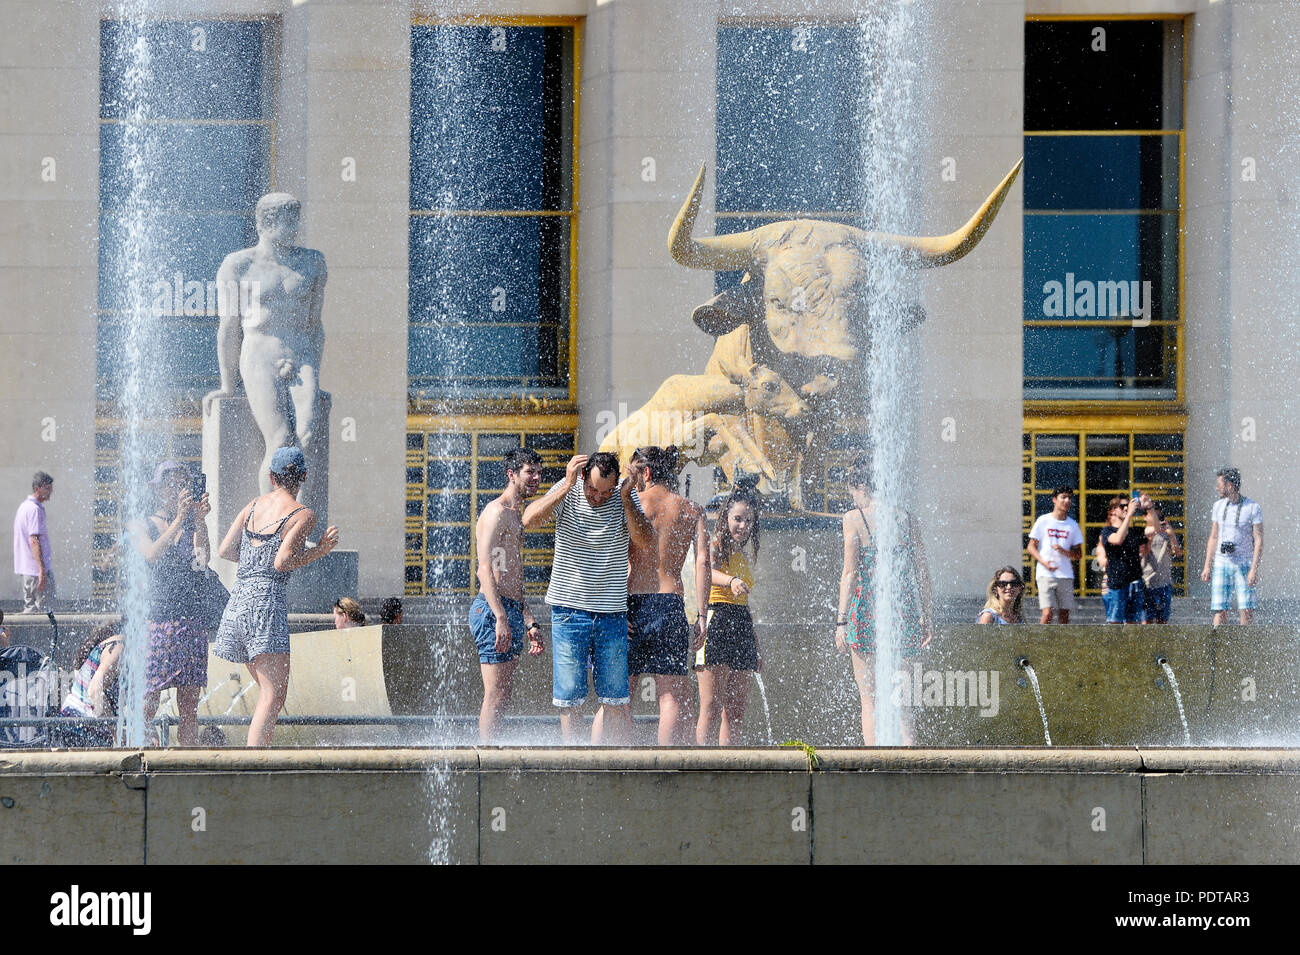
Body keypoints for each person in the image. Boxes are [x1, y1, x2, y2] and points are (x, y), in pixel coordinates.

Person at [203, 193, 330, 528]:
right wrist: (227, 383)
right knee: (279, 439)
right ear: (264, 223)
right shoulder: (239, 264)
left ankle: (299, 525)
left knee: (308, 435)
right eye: (285, 220)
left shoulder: (313, 262)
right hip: (259, 353)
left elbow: (315, 325)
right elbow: (229, 326)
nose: (293, 228)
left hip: (300, 354)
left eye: (295, 220)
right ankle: (269, 524)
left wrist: (313, 366)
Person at [523, 451, 653, 744]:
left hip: (611, 615)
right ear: (583, 476)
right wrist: (567, 485)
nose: (598, 497)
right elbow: (529, 520)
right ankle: (575, 767)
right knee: (569, 699)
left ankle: (617, 769)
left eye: (605, 492)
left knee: (617, 698)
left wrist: (624, 498)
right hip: (569, 611)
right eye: (593, 490)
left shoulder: (622, 497)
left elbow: (646, 542)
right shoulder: (568, 488)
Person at [213, 446, 339, 746]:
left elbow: (226, 550)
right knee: (273, 696)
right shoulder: (302, 514)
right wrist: (319, 551)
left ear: (271, 477)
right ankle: (253, 771)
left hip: (238, 604)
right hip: (266, 605)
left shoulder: (253, 505)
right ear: (304, 477)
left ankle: (260, 759)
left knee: (268, 695)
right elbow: (281, 562)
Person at [832, 458, 933, 745]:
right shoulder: (907, 518)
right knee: (901, 699)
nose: (853, 498)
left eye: (852, 491)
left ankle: (874, 767)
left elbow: (850, 574)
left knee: (870, 699)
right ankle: (910, 765)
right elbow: (923, 573)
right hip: (903, 610)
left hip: (865, 611)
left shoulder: (854, 519)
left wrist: (841, 621)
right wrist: (926, 616)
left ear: (862, 486)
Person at [623, 446, 709, 745]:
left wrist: (612, 610)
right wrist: (701, 615)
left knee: (617, 699)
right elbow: (702, 563)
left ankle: (602, 769)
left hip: (629, 604)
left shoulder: (629, 505)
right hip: (670, 602)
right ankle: (666, 774)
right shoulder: (690, 509)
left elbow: (611, 558)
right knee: (671, 698)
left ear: (645, 473)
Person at [126, 461, 212, 747]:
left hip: (191, 620)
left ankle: (189, 763)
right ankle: (136, 751)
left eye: (182, 483)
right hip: (158, 619)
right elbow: (150, 554)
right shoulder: (141, 523)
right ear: (160, 489)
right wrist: (178, 520)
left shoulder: (192, 522)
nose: (178, 489)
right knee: (149, 697)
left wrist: (198, 520)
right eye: (172, 483)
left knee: (189, 704)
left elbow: (202, 560)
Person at [470, 447, 545, 743]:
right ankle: (485, 759)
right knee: (496, 694)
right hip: (492, 610)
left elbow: (511, 575)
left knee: (504, 694)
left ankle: (492, 751)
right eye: (530, 472)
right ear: (512, 474)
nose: (536, 478)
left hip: (510, 609)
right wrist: (500, 617)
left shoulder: (517, 516)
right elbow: (484, 569)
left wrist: (529, 622)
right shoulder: (496, 512)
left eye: (539, 472)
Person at [697, 486, 769, 745]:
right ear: (726, 516)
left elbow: (745, 601)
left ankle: (730, 764)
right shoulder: (715, 543)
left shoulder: (742, 553)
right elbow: (704, 572)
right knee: (711, 707)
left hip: (741, 624)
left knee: (735, 711)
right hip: (717, 620)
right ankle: (702, 765)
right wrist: (731, 580)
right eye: (737, 519)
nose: (743, 525)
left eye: (748, 520)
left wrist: (756, 644)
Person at [1200, 467, 1263, 625]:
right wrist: (1207, 566)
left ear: (1229, 485)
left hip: (1244, 563)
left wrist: (1254, 569)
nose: (1217, 488)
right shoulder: (1218, 506)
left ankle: (1244, 646)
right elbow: (1213, 537)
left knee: (1246, 609)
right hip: (1222, 562)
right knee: (1219, 609)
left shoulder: (1252, 507)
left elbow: (1259, 539)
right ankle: (1217, 646)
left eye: (1219, 484)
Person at [58, 623, 124, 748]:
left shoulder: (115, 644)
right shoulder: (119, 647)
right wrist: (117, 733)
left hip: (74, 720)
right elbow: (95, 691)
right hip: (82, 725)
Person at [1025, 486, 1084, 624]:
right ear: (1054, 500)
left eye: (1069, 497)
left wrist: (1065, 552)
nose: (1067, 500)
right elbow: (1031, 546)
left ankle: (1061, 643)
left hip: (1065, 575)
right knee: (1048, 613)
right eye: (1063, 497)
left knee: (1064, 615)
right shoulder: (1043, 520)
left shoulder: (1073, 525)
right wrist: (1044, 562)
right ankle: (1040, 642)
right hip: (1045, 574)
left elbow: (1079, 554)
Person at [13, 471, 55, 613]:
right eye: (47, 488)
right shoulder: (33, 510)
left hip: (30, 571)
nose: (51, 491)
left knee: (31, 610)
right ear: (37, 489)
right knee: (43, 613)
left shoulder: (25, 507)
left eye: (50, 487)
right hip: (36, 572)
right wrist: (42, 571)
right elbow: (34, 541)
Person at [1099, 496, 1145, 624]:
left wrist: (1149, 508)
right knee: (1115, 623)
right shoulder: (1107, 531)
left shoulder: (1134, 531)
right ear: (1113, 510)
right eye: (1122, 506)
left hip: (1135, 583)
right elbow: (1118, 539)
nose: (1126, 508)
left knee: (1133, 624)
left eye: (1127, 506)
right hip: (1117, 584)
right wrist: (1130, 514)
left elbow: (1156, 529)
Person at [1142, 499, 1181, 624]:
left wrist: (1171, 535)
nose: (1156, 519)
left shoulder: (1166, 534)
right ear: (1145, 517)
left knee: (1162, 620)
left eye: (1158, 516)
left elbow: (1178, 553)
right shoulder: (1144, 533)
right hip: (1148, 582)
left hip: (1164, 583)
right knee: (1146, 620)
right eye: (1152, 515)